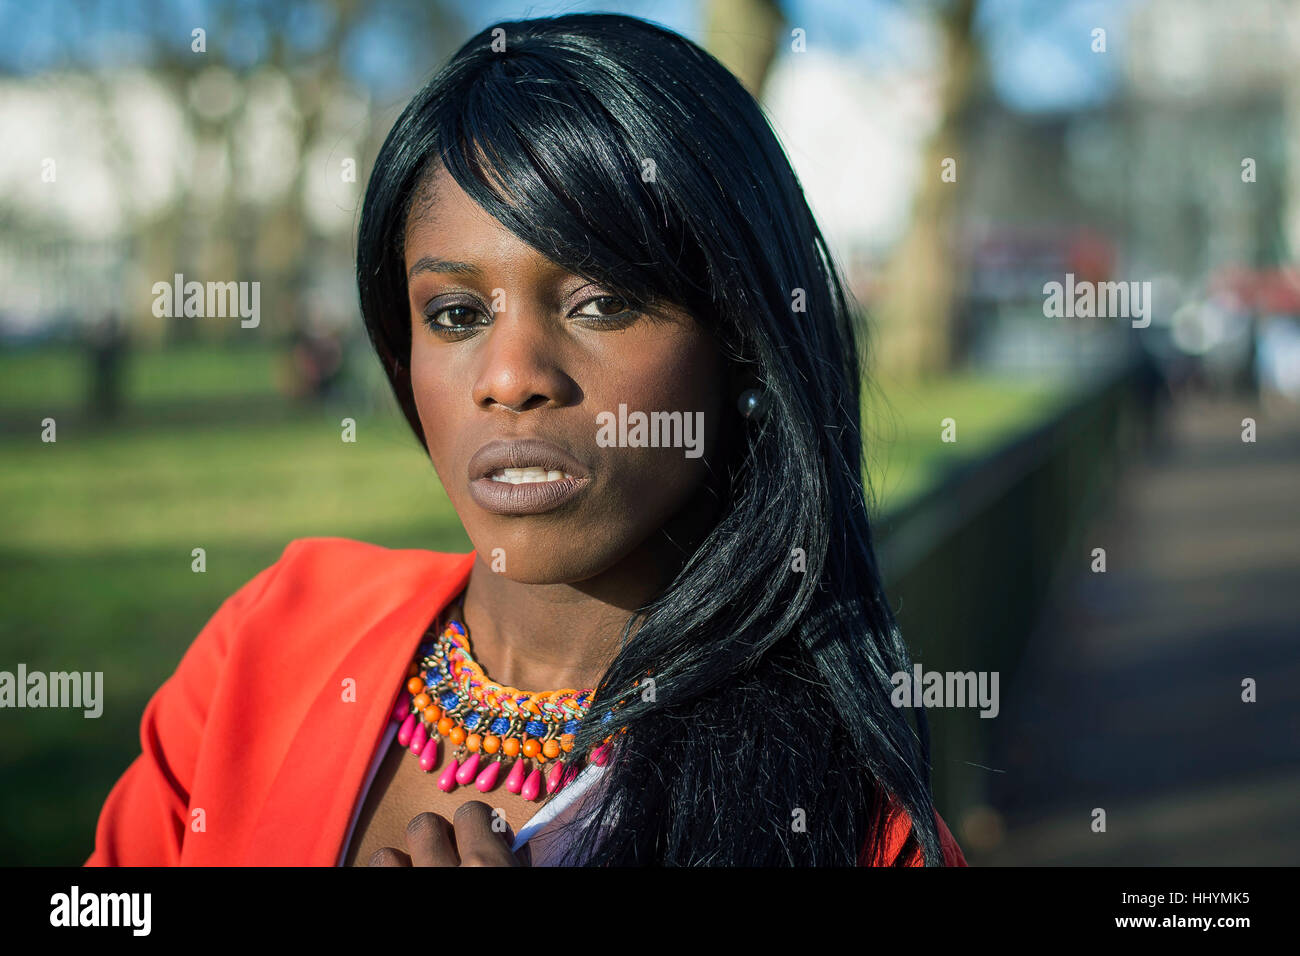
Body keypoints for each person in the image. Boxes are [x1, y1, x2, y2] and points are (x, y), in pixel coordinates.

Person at [85, 13, 965, 867]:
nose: (509, 377)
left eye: (601, 303)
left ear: (742, 347)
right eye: (457, 314)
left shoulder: (862, 836)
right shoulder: (272, 639)